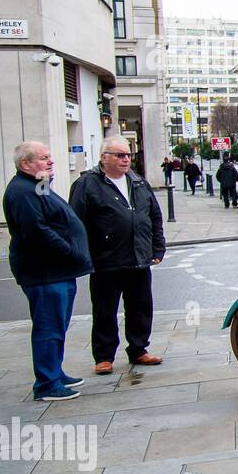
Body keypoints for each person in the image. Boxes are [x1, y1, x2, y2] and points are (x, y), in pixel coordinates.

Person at [1, 142, 92, 401]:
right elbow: (37, 232)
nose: (51, 161)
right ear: (25, 164)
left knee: (57, 325)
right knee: (48, 327)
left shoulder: (38, 185)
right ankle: (47, 383)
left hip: (58, 271)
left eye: (50, 157)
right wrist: (70, 251)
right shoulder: (22, 192)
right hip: (46, 273)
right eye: (43, 158)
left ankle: (55, 372)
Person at [69, 137, 166, 375]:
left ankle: (139, 349)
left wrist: (157, 247)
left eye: (128, 155)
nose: (126, 160)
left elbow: (154, 216)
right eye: (120, 155)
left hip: (138, 258)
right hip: (106, 261)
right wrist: (84, 254)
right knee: (105, 310)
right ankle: (103, 357)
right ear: (104, 158)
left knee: (141, 307)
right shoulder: (87, 184)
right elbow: (75, 223)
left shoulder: (138, 182)